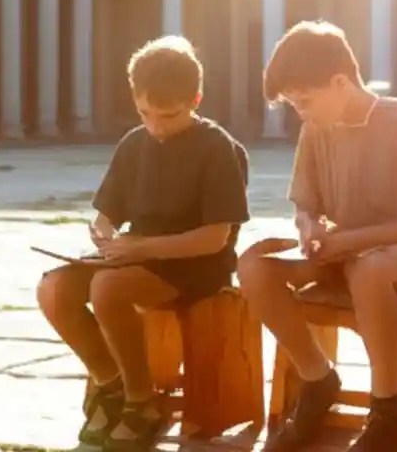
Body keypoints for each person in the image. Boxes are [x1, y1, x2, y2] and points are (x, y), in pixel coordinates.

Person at [237, 20, 397, 451]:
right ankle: (318, 379)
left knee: (369, 270)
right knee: (253, 266)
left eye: (304, 101)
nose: (301, 112)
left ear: (339, 82)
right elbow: (305, 202)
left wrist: (352, 242)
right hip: (340, 251)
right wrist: (308, 225)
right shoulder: (316, 127)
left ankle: (386, 407)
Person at [35, 35, 251, 452]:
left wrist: (141, 250)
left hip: (194, 264)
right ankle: (111, 382)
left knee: (108, 288)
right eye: (145, 113)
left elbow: (215, 237)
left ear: (196, 100)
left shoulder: (217, 147)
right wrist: (103, 235)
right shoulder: (135, 142)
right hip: (134, 257)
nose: (155, 126)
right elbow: (106, 212)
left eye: (168, 116)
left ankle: (142, 401)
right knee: (54, 287)